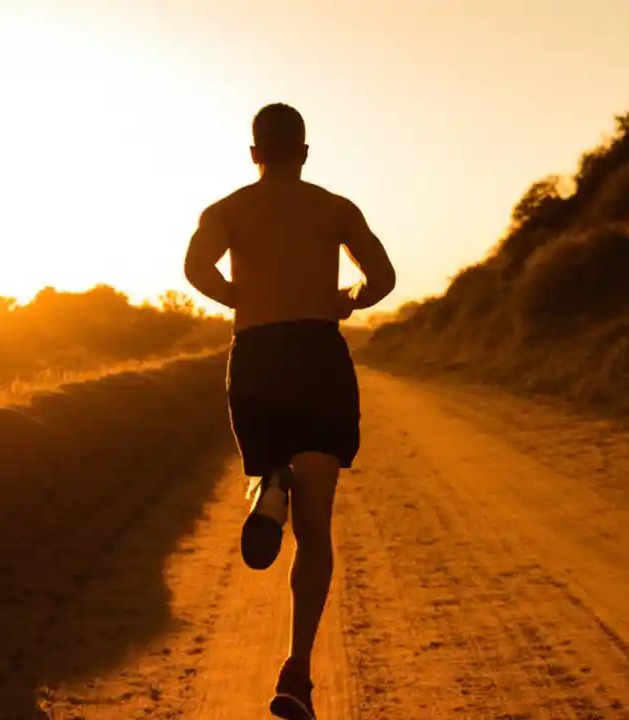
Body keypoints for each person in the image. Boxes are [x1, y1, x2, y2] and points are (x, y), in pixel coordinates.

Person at [184, 103, 396, 720]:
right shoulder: (335, 208)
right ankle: (297, 671)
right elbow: (382, 277)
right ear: (304, 153)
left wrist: (236, 294)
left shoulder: (226, 211)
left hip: (257, 356)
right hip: (318, 357)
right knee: (316, 529)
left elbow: (195, 267)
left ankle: (270, 486)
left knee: (269, 461)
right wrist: (349, 298)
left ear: (254, 153)